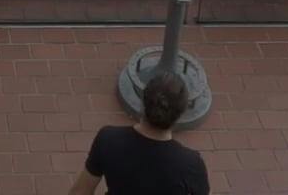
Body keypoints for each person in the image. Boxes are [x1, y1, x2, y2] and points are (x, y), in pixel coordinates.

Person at [67, 70, 209, 194]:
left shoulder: (108, 139)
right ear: (180, 114)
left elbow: (79, 192)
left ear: (143, 101)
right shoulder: (191, 164)